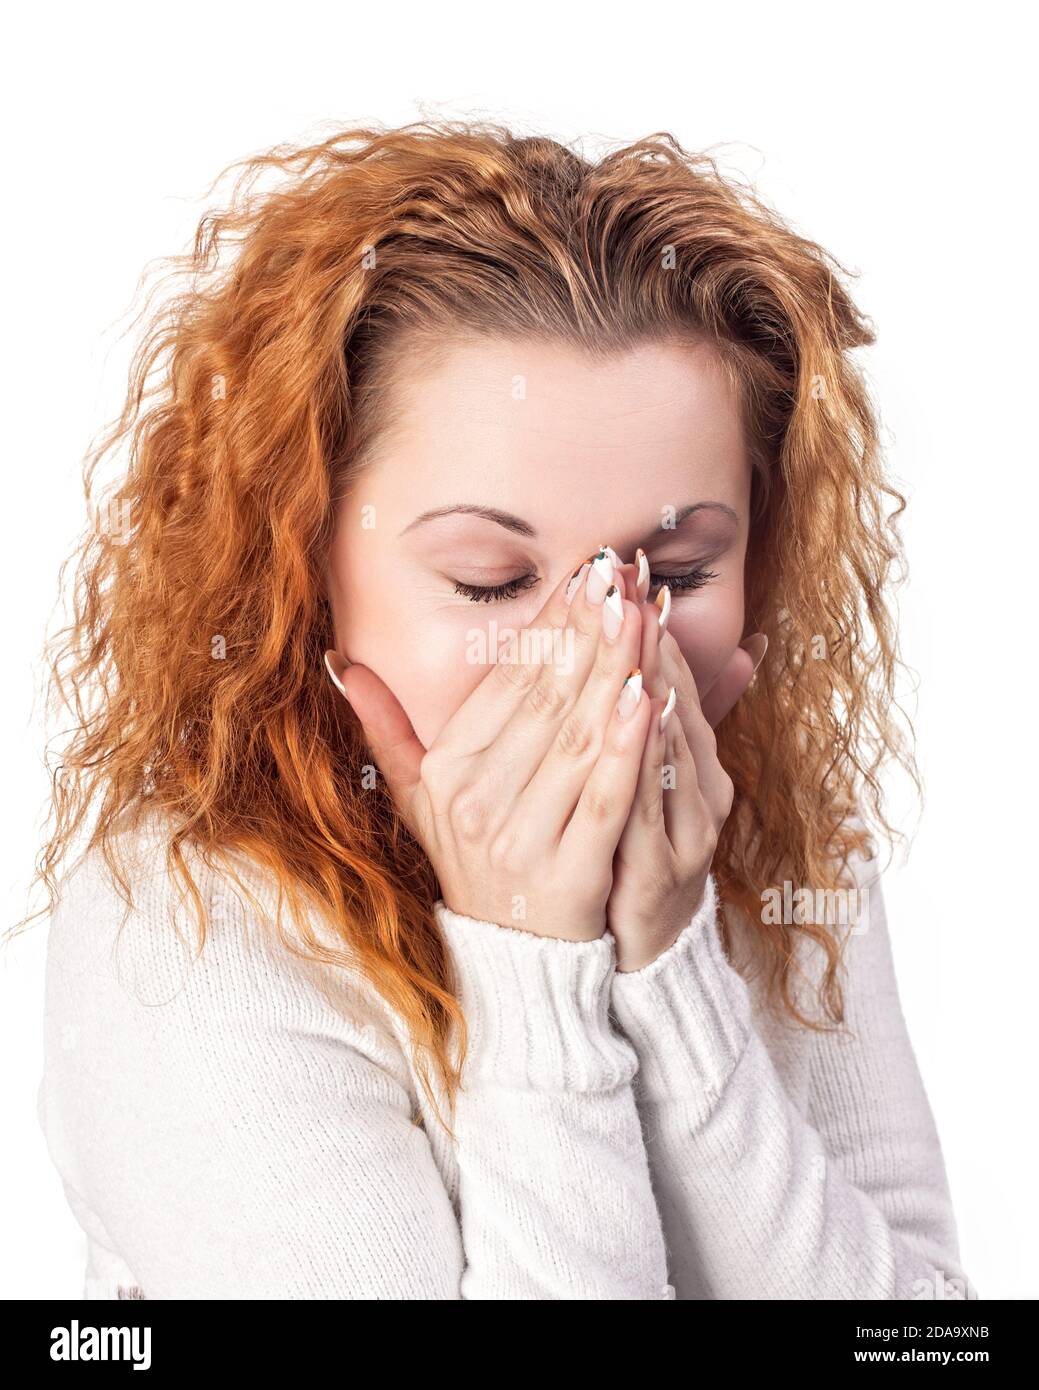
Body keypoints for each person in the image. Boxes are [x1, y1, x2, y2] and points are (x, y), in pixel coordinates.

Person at [25, 120, 972, 1299]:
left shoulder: (783, 842)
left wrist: (669, 968)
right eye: (490, 580)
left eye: (673, 573)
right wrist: (534, 961)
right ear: (304, 566)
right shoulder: (182, 926)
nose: (604, 649)